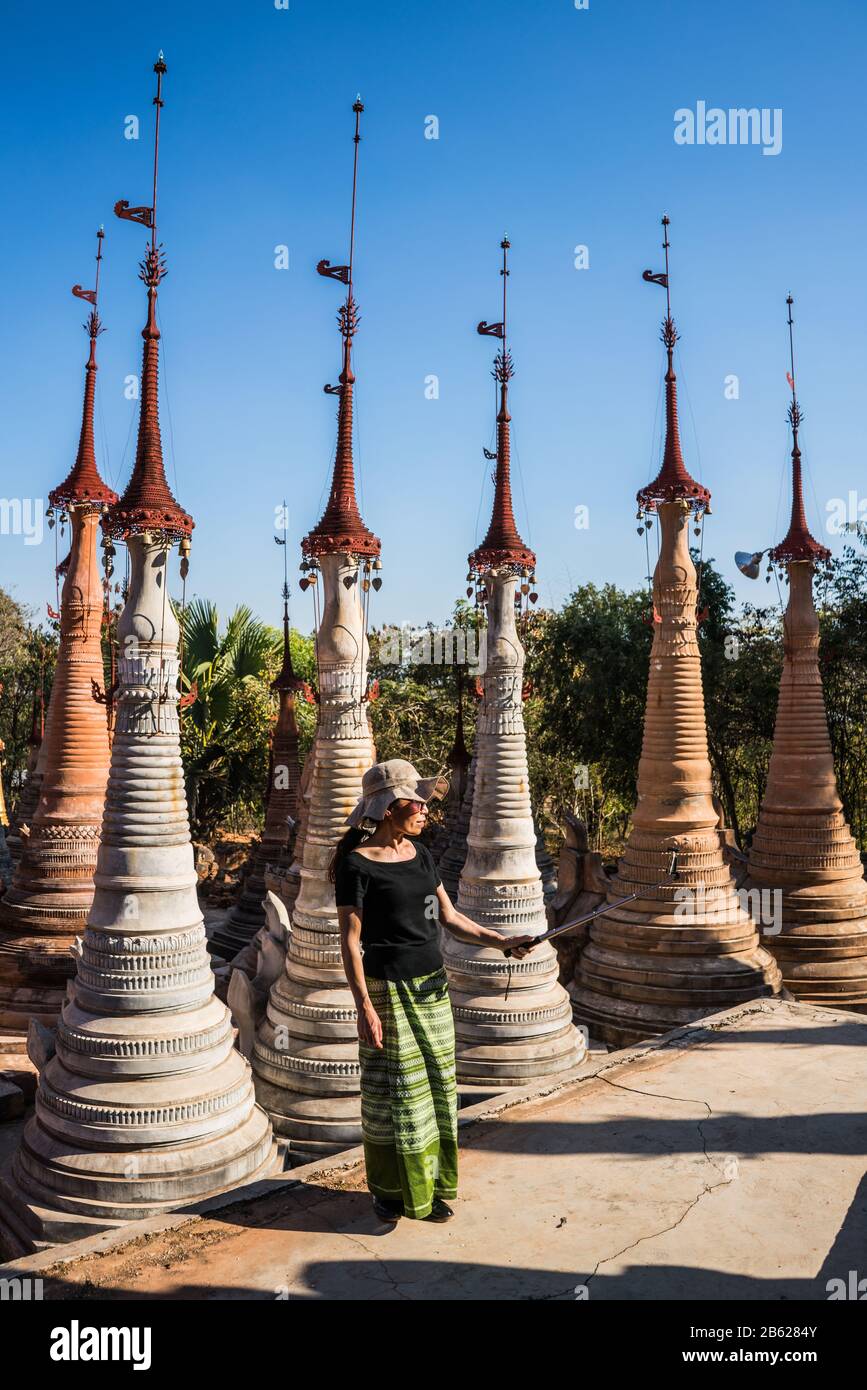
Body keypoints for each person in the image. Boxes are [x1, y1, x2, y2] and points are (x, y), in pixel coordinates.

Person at [332, 758, 538, 1225]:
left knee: (437, 1089)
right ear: (389, 808)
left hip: (432, 989)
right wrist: (364, 1006)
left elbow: (450, 918)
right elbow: (349, 941)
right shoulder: (356, 865)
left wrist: (502, 942)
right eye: (417, 803)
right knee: (395, 1095)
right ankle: (391, 1192)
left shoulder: (421, 855)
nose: (425, 810)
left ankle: (430, 1189)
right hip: (387, 992)